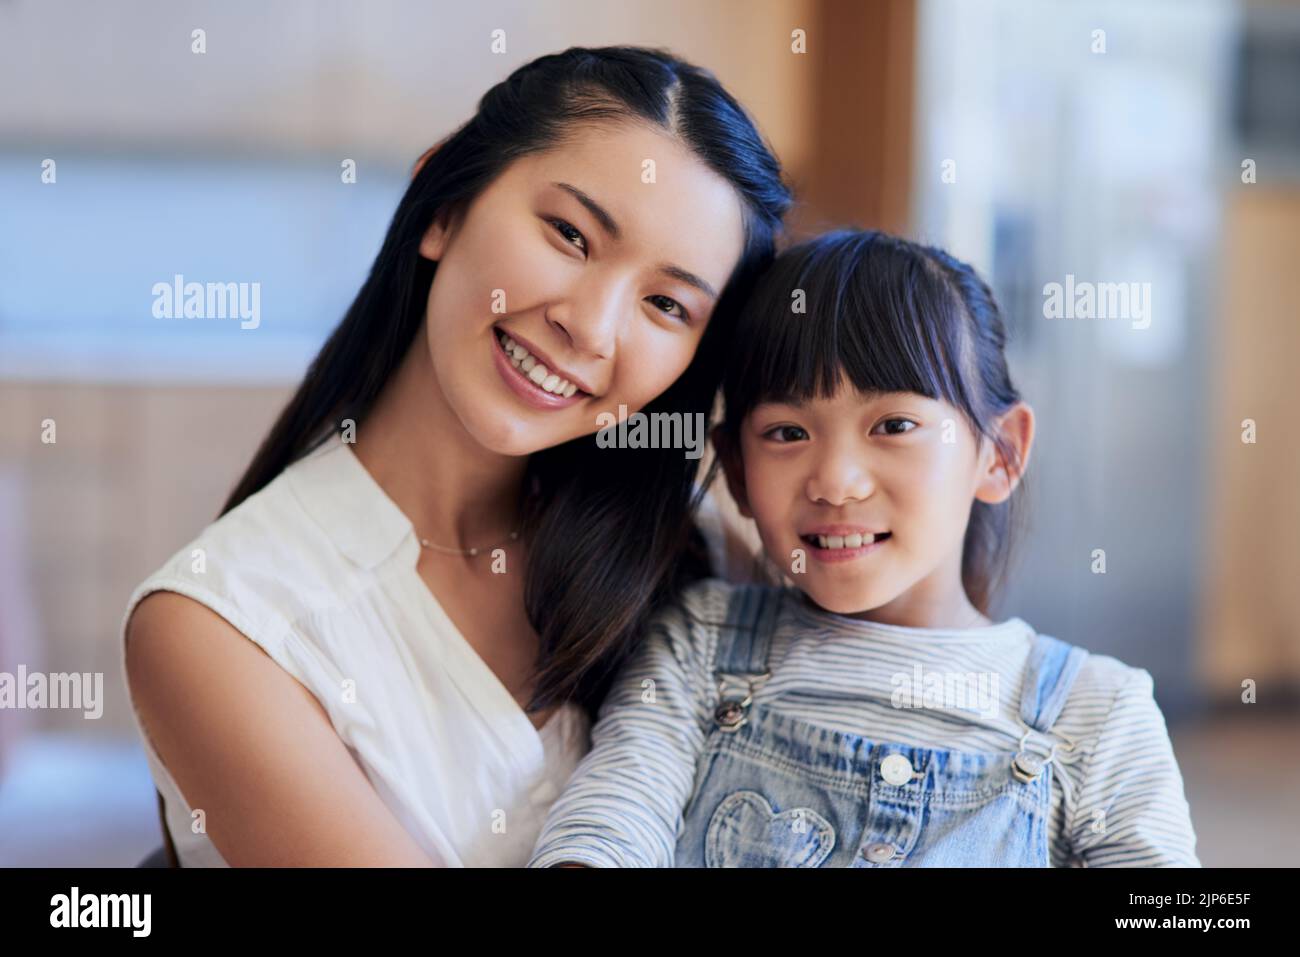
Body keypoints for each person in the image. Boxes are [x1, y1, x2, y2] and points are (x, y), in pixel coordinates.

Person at [120, 45, 791, 866]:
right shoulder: (222, 627)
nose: (591, 327)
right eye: (570, 235)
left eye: (665, 303)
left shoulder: (697, 551)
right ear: (443, 205)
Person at [528, 229, 1200, 867]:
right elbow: (612, 820)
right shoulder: (701, 644)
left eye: (894, 424)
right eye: (787, 433)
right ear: (735, 469)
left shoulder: (1097, 712)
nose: (835, 482)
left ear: (999, 454)